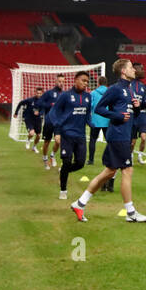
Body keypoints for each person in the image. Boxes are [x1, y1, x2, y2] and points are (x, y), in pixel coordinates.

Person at [71, 59, 146, 223]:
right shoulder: (115, 89)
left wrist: (136, 106)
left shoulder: (128, 90)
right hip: (118, 135)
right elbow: (99, 108)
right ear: (123, 71)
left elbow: (129, 113)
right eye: (130, 68)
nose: (134, 70)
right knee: (127, 171)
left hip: (123, 135)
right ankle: (131, 212)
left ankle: (80, 203)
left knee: (109, 172)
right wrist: (117, 116)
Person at [49, 71, 92, 200]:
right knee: (67, 161)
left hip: (81, 136)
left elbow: (87, 113)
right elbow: (53, 112)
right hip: (66, 134)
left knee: (80, 163)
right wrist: (57, 130)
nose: (85, 84)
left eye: (87, 82)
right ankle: (63, 190)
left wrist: (91, 123)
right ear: (75, 80)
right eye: (83, 80)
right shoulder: (65, 96)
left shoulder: (88, 97)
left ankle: (63, 171)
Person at [88, 76, 115, 193]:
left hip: (95, 120)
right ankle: (109, 158)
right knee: (109, 141)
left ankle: (91, 160)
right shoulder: (110, 92)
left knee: (93, 140)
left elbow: (91, 106)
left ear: (98, 83)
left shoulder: (93, 93)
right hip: (107, 120)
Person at [38, 75, 66, 169]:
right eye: (59, 81)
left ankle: (52, 156)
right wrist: (49, 105)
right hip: (49, 122)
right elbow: (39, 102)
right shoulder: (49, 93)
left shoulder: (64, 94)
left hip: (59, 122)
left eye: (63, 81)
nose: (61, 83)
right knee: (47, 142)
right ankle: (45, 159)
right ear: (55, 81)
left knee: (58, 141)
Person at [131, 64, 146, 164]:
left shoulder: (143, 86)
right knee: (132, 142)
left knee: (143, 138)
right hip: (133, 116)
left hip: (142, 116)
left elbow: (144, 102)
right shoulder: (129, 84)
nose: (143, 71)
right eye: (141, 69)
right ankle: (130, 155)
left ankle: (140, 156)